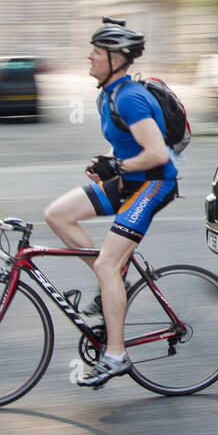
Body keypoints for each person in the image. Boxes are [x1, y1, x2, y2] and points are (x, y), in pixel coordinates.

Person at [42, 19, 178, 388]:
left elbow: (157, 154)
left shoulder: (131, 98)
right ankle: (112, 279)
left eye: (97, 52)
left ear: (116, 59)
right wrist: (106, 162)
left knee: (106, 263)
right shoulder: (109, 94)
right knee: (58, 215)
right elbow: (126, 147)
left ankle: (116, 355)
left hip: (152, 184)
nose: (89, 56)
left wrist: (116, 166)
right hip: (127, 180)